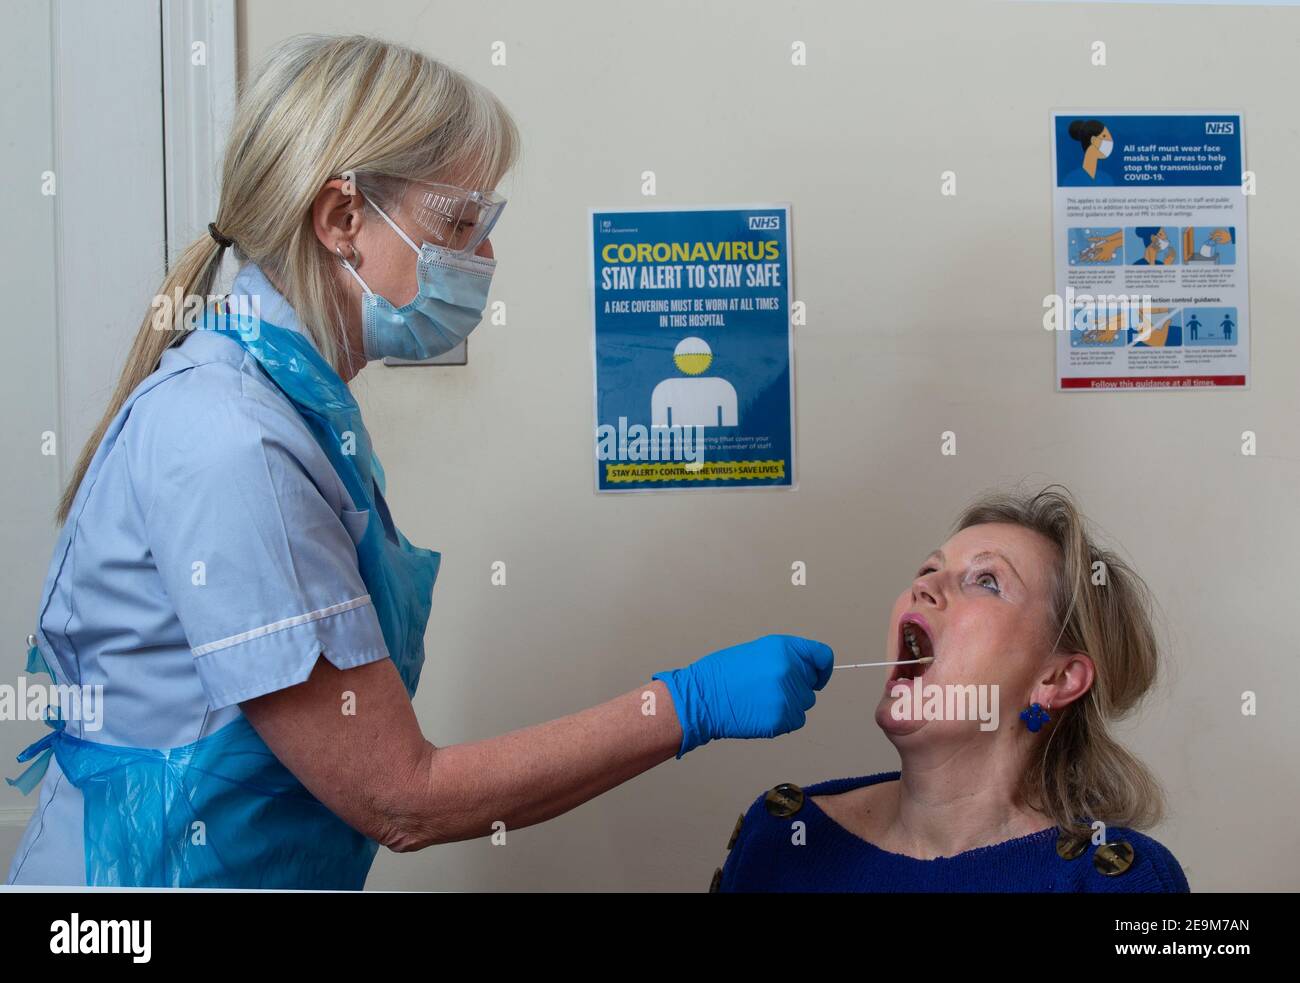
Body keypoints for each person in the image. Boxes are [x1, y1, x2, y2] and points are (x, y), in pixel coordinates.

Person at [5, 34, 833, 889]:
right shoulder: (232, 441)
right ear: (341, 219)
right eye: (458, 224)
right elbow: (402, 796)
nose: (483, 261)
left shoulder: (291, 413)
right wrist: (686, 704)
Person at [716, 487, 1189, 892]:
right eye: (927, 570)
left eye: (986, 580)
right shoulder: (784, 833)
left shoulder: (1117, 880)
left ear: (1057, 679)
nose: (925, 587)